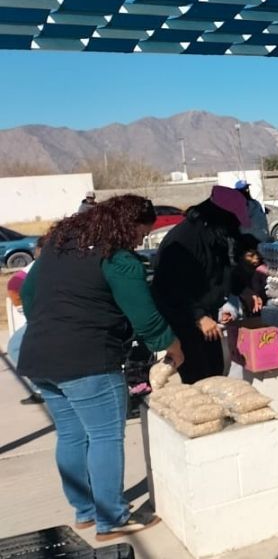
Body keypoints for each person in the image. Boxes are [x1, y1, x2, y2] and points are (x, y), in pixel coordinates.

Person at [17, 195, 183, 541]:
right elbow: (144, 316)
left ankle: (85, 511)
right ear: (128, 226)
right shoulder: (116, 259)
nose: (140, 240)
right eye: (141, 232)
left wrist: (53, 326)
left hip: (40, 356)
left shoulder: (60, 248)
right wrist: (172, 345)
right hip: (87, 359)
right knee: (105, 436)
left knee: (71, 435)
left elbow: (29, 294)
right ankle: (112, 518)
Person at [152, 186, 249, 384]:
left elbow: (221, 272)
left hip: (205, 316)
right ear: (221, 216)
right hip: (184, 319)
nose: (236, 227)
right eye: (234, 221)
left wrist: (242, 289)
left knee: (215, 371)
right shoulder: (183, 240)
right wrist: (199, 316)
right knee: (198, 378)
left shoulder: (214, 235)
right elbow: (170, 287)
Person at [8, 237, 44, 404]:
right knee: (16, 347)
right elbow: (15, 284)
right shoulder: (37, 267)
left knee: (16, 347)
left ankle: (43, 387)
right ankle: (42, 387)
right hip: (40, 317)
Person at [231, 234, 268, 316]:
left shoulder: (264, 268)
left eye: (257, 253)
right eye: (251, 255)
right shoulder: (236, 274)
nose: (256, 257)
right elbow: (236, 290)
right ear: (240, 257)